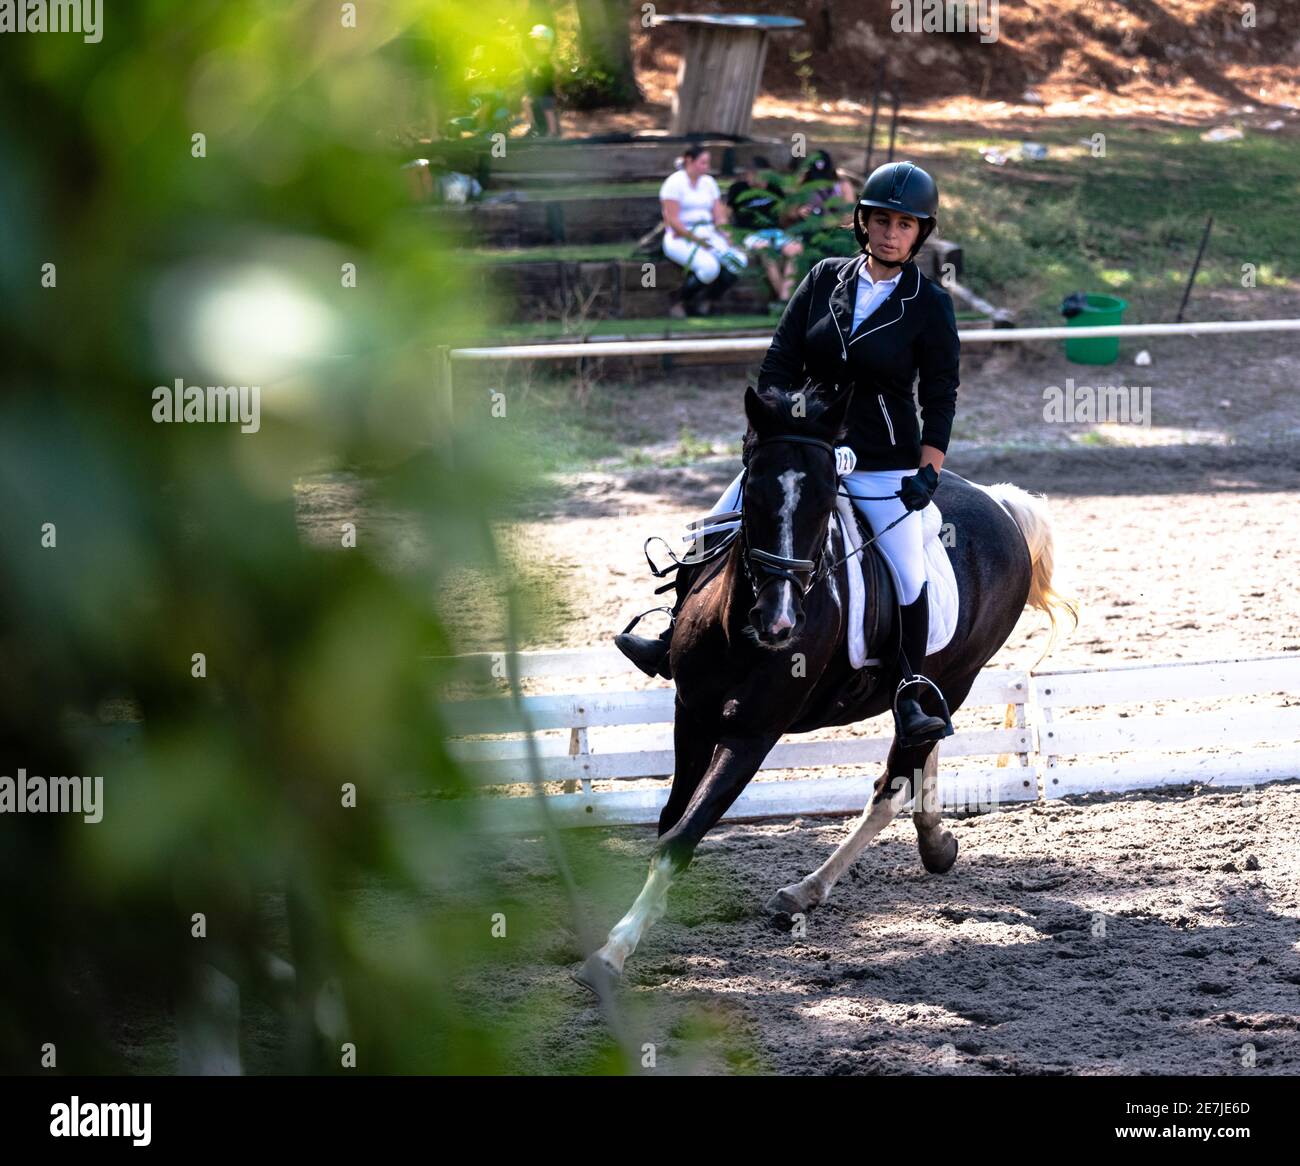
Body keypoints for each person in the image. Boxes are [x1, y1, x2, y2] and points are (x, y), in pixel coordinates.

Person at [616, 160, 959, 747]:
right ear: (863, 223)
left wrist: (928, 471)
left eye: (904, 225)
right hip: (804, 449)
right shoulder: (825, 278)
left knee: (906, 573)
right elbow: (780, 361)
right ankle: (671, 637)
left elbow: (941, 394)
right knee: (711, 532)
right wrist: (769, 432)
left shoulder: (928, 303)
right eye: (881, 221)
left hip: (884, 459)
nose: (890, 233)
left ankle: (909, 691)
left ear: (919, 234)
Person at [659, 145, 748, 318]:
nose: (706, 167)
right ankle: (678, 300)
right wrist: (696, 240)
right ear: (689, 161)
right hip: (680, 236)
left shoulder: (709, 183)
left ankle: (708, 299)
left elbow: (719, 216)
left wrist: (728, 237)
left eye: (707, 163)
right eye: (703, 163)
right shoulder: (674, 183)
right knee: (709, 267)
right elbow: (673, 220)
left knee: (739, 261)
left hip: (708, 232)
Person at [726, 155, 803, 302]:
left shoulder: (775, 189)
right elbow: (726, 216)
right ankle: (786, 302)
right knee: (766, 251)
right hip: (750, 234)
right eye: (750, 174)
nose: (750, 177)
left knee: (796, 249)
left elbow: (784, 216)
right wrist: (731, 236)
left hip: (776, 232)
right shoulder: (737, 190)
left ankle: (784, 298)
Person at [522, 21, 559, 137]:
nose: (537, 45)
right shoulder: (540, 57)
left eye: (540, 42)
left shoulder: (548, 57)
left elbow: (552, 71)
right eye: (536, 43)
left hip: (546, 90)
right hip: (539, 90)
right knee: (526, 101)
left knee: (548, 110)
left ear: (547, 43)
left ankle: (552, 132)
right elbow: (531, 66)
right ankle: (533, 125)